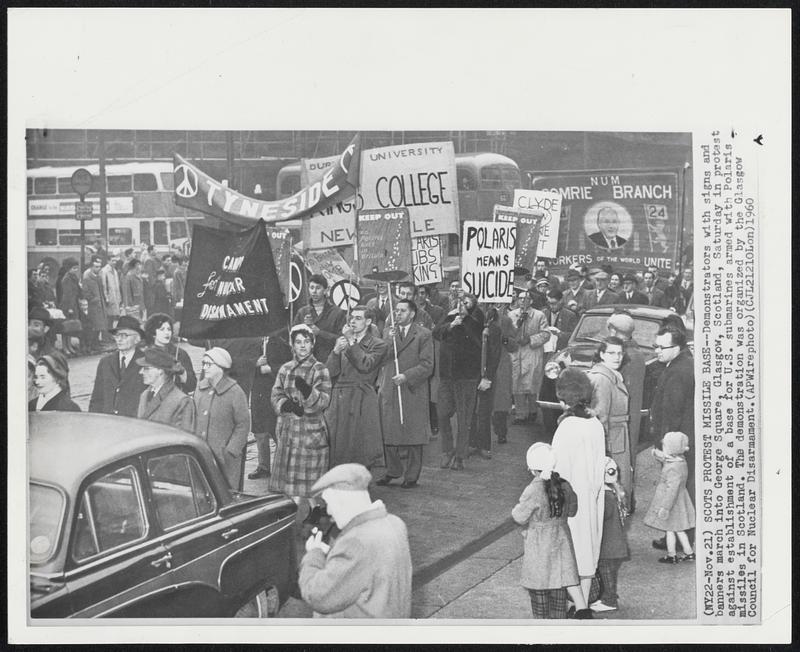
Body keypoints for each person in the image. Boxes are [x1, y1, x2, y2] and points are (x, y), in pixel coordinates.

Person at [298, 463, 412, 618]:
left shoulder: (356, 542)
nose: (329, 512)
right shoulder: (395, 523)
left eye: (329, 504)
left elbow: (318, 596)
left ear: (342, 500)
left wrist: (314, 554)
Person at [512, 443, 589, 620]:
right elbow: (572, 511)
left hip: (539, 547)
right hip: (562, 544)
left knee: (539, 595)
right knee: (559, 592)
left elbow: (519, 516)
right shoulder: (565, 485)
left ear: (532, 469)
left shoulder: (533, 489)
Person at [550, 368, 606, 607]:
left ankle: (578, 603)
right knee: (588, 547)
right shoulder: (595, 424)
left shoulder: (566, 427)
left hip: (570, 500)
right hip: (592, 494)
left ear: (563, 398)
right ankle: (582, 599)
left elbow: (558, 469)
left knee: (570, 549)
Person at [269, 325, 332, 512]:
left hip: (310, 430)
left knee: (309, 477)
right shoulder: (285, 369)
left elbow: (324, 400)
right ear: (292, 345)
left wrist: (307, 392)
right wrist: (284, 405)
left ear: (312, 344)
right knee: (291, 478)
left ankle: (314, 509)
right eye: (298, 342)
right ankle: (295, 510)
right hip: (289, 429)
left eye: (306, 341)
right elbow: (276, 393)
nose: (302, 346)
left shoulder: (320, 369)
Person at [376, 299, 433, 487]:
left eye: (402, 311)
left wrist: (407, 376)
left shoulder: (423, 334)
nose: (397, 314)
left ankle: (411, 476)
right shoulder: (387, 333)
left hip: (412, 388)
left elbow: (427, 365)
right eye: (396, 310)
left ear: (412, 314)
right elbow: (380, 359)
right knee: (389, 431)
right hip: (390, 387)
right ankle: (393, 470)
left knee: (413, 433)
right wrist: (387, 341)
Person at [326, 306, 388, 468]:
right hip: (340, 398)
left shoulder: (378, 344)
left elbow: (365, 365)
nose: (352, 321)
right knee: (337, 443)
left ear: (368, 322)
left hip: (361, 398)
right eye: (351, 317)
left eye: (358, 318)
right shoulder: (342, 341)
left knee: (360, 445)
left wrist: (352, 343)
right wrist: (335, 352)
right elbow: (330, 372)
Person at [434, 293, 484, 471]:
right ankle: (447, 450)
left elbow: (476, 338)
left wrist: (464, 320)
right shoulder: (449, 316)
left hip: (466, 377)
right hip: (447, 376)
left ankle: (460, 456)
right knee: (442, 414)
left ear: (472, 304)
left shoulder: (477, 318)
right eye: (458, 302)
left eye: (465, 302)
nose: (461, 305)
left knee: (464, 418)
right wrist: (451, 321)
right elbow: (437, 333)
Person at [194, 347, 251, 491]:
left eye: (209, 364)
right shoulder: (200, 389)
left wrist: (231, 450)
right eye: (203, 363)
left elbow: (243, 424)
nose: (204, 368)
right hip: (201, 455)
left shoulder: (235, 392)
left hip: (225, 459)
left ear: (221, 367)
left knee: (225, 493)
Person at [606, 313, 646, 504]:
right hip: (632, 413)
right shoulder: (637, 353)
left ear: (614, 330)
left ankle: (623, 500)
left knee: (619, 459)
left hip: (620, 415)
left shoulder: (623, 357)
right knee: (628, 459)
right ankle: (627, 499)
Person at [586, 337, 632, 501]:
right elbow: (600, 416)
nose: (617, 357)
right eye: (611, 353)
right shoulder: (603, 378)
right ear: (602, 354)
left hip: (617, 435)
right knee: (614, 484)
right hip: (612, 440)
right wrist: (603, 449)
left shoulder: (611, 375)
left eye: (620, 353)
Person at [643, 431, 696, 564]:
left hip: (672, 505)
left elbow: (672, 491)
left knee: (671, 530)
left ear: (672, 449)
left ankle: (672, 554)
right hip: (680, 502)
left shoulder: (673, 469)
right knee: (679, 530)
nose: (664, 449)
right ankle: (689, 552)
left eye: (665, 447)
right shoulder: (680, 460)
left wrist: (665, 508)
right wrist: (657, 454)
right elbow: (667, 458)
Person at [248, 330, 293, 480]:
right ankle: (263, 466)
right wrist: (255, 363)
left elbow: (289, 365)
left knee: (276, 429)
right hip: (257, 391)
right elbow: (243, 362)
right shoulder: (253, 342)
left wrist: (270, 368)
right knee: (259, 430)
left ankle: (284, 466)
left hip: (273, 391)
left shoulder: (280, 342)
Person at [591, 457, 630, 612]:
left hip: (608, 544)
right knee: (609, 572)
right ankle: (608, 596)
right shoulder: (616, 491)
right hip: (616, 543)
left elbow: (602, 516)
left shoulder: (605, 497)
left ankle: (609, 600)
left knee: (606, 571)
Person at [89, 315, 147, 417]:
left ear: (137, 338)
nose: (119, 339)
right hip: (109, 424)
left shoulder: (145, 362)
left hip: (134, 424)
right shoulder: (105, 362)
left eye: (124, 335)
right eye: (117, 335)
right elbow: (97, 399)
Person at [507, 290, 550, 424]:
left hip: (532, 353)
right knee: (517, 383)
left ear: (531, 301)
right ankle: (520, 414)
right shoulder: (511, 315)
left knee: (532, 384)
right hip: (516, 352)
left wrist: (531, 339)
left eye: (525, 299)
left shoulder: (539, 315)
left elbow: (546, 334)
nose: (522, 301)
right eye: (520, 299)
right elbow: (508, 332)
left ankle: (532, 412)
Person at [135, 346, 195, 433]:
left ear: (160, 370)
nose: (140, 372)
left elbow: (184, 441)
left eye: (146, 368)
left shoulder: (182, 401)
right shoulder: (144, 395)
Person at [293, 273, 347, 363]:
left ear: (326, 290)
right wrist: (303, 329)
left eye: (318, 288)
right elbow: (293, 338)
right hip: (306, 363)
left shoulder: (337, 313)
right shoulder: (302, 312)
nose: (314, 291)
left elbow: (342, 340)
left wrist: (319, 333)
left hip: (329, 361)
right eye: (311, 288)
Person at [143, 313, 197, 394]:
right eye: (162, 329)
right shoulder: (145, 354)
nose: (167, 333)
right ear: (153, 333)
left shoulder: (180, 354)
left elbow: (192, 385)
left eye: (169, 329)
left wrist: (182, 372)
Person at [490, 306, 519, 445]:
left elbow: (514, 345)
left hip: (500, 363)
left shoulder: (505, 321)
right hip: (481, 362)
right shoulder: (476, 317)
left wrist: (506, 340)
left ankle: (501, 431)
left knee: (501, 398)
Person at [82, 255, 109, 352]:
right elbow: (85, 292)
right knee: (95, 325)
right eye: (96, 267)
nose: (99, 268)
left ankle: (97, 342)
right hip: (93, 305)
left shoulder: (98, 275)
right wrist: (94, 299)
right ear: (92, 267)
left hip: (100, 304)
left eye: (99, 266)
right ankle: (93, 344)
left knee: (100, 325)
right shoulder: (87, 276)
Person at [101, 251, 123, 331]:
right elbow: (104, 286)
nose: (114, 262)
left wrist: (119, 298)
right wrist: (106, 298)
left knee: (112, 318)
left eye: (115, 261)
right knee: (108, 318)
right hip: (109, 298)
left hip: (115, 297)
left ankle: (109, 334)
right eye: (112, 261)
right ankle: (106, 336)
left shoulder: (115, 271)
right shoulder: (105, 271)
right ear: (108, 261)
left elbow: (117, 286)